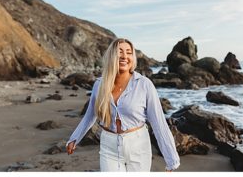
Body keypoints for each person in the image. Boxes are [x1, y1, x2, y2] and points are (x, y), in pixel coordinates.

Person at [66, 38, 180, 172]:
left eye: (128, 52)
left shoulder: (144, 84)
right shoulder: (99, 85)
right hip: (109, 146)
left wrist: (171, 159)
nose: (124, 56)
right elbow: (90, 116)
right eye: (120, 51)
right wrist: (74, 138)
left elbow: (159, 123)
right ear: (111, 56)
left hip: (138, 146)